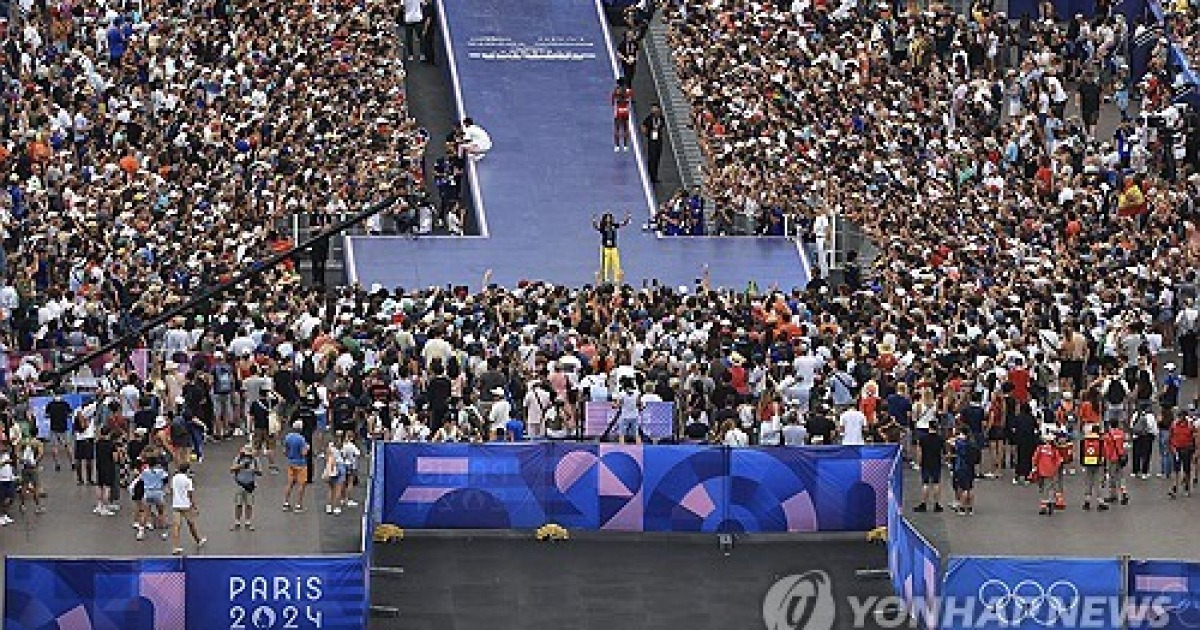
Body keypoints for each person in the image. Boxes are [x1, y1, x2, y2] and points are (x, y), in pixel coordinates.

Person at [168, 462, 206, 555]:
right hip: (185, 505)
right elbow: (190, 495)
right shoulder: (188, 480)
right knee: (191, 524)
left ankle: (175, 546)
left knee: (176, 526)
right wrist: (194, 506)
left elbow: (172, 491)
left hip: (176, 504)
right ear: (187, 470)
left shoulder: (174, 478)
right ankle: (198, 540)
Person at [593, 212, 633, 284]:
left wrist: (627, 218)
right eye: (607, 218)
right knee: (606, 264)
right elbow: (597, 228)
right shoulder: (603, 227)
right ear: (605, 219)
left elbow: (623, 224)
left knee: (616, 262)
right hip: (606, 248)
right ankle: (606, 278)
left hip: (614, 247)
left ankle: (616, 278)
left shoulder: (614, 226)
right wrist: (594, 221)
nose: (608, 219)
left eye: (610, 218)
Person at [914, 426, 945, 513]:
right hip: (936, 462)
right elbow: (943, 452)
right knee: (936, 483)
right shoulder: (940, 439)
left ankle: (924, 504)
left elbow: (919, 451)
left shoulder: (923, 438)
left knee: (925, 483)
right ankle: (936, 504)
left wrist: (918, 462)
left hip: (925, 462)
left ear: (929, 428)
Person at [1032, 434, 1064, 516]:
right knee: (1049, 487)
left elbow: (1035, 459)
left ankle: (1044, 505)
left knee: (1042, 488)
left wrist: (1035, 467)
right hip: (1050, 472)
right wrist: (1055, 469)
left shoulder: (1040, 449)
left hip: (1041, 471)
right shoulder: (1054, 450)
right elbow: (1059, 461)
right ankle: (1050, 502)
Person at [230, 444, 261, 530]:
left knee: (249, 504)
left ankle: (248, 522)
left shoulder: (255, 460)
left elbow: (260, 472)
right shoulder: (238, 458)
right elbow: (231, 469)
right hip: (239, 484)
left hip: (250, 485)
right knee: (238, 504)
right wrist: (241, 465)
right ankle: (237, 522)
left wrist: (254, 470)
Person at [282, 421, 310, 513]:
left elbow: (285, 451)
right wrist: (307, 448)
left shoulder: (288, 437)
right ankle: (298, 505)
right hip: (301, 464)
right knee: (301, 484)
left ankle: (286, 503)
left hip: (291, 462)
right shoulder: (301, 439)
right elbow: (303, 453)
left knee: (290, 483)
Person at [1079, 424, 1108, 511]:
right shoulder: (1100, 441)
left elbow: (1081, 453)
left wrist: (1082, 463)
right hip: (1097, 463)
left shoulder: (1084, 441)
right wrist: (1104, 466)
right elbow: (1103, 454)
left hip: (1087, 463)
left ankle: (1087, 501)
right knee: (1098, 482)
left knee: (1088, 482)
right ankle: (1100, 502)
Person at [948, 426, 977, 516]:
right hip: (970, 467)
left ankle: (962, 508)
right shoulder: (972, 443)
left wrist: (956, 438)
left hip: (961, 467)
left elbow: (949, 442)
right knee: (970, 488)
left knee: (963, 488)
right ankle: (970, 508)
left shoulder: (960, 443)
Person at [1168, 410, 1196, 499]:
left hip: (1187, 449)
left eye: (1180, 417)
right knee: (1176, 469)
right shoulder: (1174, 425)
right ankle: (1174, 488)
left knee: (1187, 470)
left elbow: (1194, 438)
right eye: (1178, 416)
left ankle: (1187, 487)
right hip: (1177, 449)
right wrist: (1172, 447)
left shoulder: (1190, 425)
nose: (1179, 418)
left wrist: (1195, 450)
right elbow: (1171, 436)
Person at [1102, 419, 1130, 506]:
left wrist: (1105, 460)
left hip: (1112, 458)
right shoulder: (1122, 434)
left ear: (1110, 425)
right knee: (1121, 477)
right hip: (1120, 457)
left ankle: (1113, 495)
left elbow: (1106, 450)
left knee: (1112, 478)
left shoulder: (1107, 436)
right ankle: (1124, 493)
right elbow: (1125, 446)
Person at [613, 377, 643, 444]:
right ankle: (639, 449)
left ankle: (622, 449)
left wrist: (614, 405)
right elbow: (639, 404)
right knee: (636, 434)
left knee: (622, 434)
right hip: (635, 415)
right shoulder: (637, 393)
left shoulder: (622, 394)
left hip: (624, 416)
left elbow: (618, 405)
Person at [641, 104, 665, 183]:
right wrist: (647, 134)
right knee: (652, 158)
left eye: (656, 110)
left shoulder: (661, 118)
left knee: (657, 158)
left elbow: (662, 126)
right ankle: (649, 175)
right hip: (652, 140)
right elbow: (643, 126)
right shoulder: (649, 118)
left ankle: (654, 176)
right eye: (653, 110)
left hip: (658, 140)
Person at [322, 439, 346, 515]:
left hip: (330, 468)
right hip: (340, 467)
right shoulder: (343, 448)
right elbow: (344, 457)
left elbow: (326, 458)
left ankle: (329, 507)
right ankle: (336, 507)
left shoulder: (329, 449)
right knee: (338, 489)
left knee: (331, 489)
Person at [612, 79, 634, 152]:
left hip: (618, 112)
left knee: (617, 128)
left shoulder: (616, 91)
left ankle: (617, 145)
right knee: (625, 128)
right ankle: (625, 145)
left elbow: (612, 102)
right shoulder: (628, 91)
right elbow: (630, 98)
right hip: (625, 111)